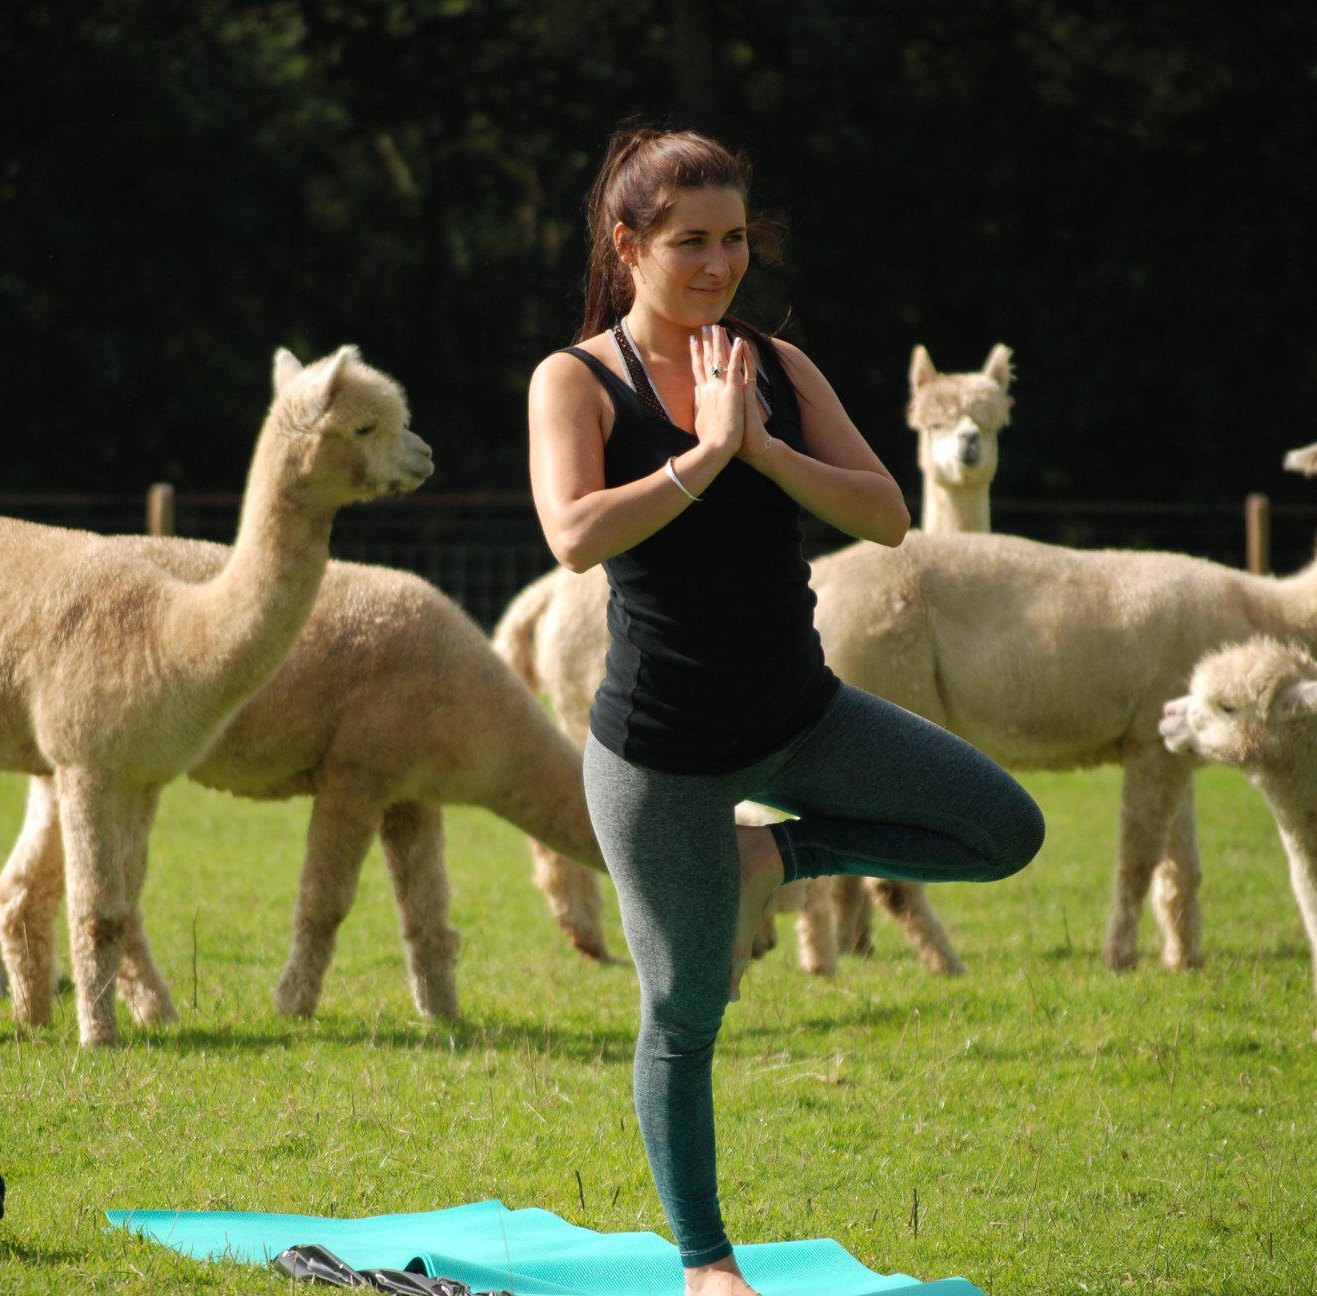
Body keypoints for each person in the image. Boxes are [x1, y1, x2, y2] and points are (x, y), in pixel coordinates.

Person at [526, 126, 1045, 1296]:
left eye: (734, 240)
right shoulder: (575, 379)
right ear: (628, 245)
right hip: (657, 755)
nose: (718, 264)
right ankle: (708, 1264)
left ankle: (779, 852)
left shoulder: (772, 363)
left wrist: (758, 444)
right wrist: (700, 459)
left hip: (802, 719)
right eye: (689, 242)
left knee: (1005, 830)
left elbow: (883, 513)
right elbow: (569, 536)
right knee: (684, 1007)